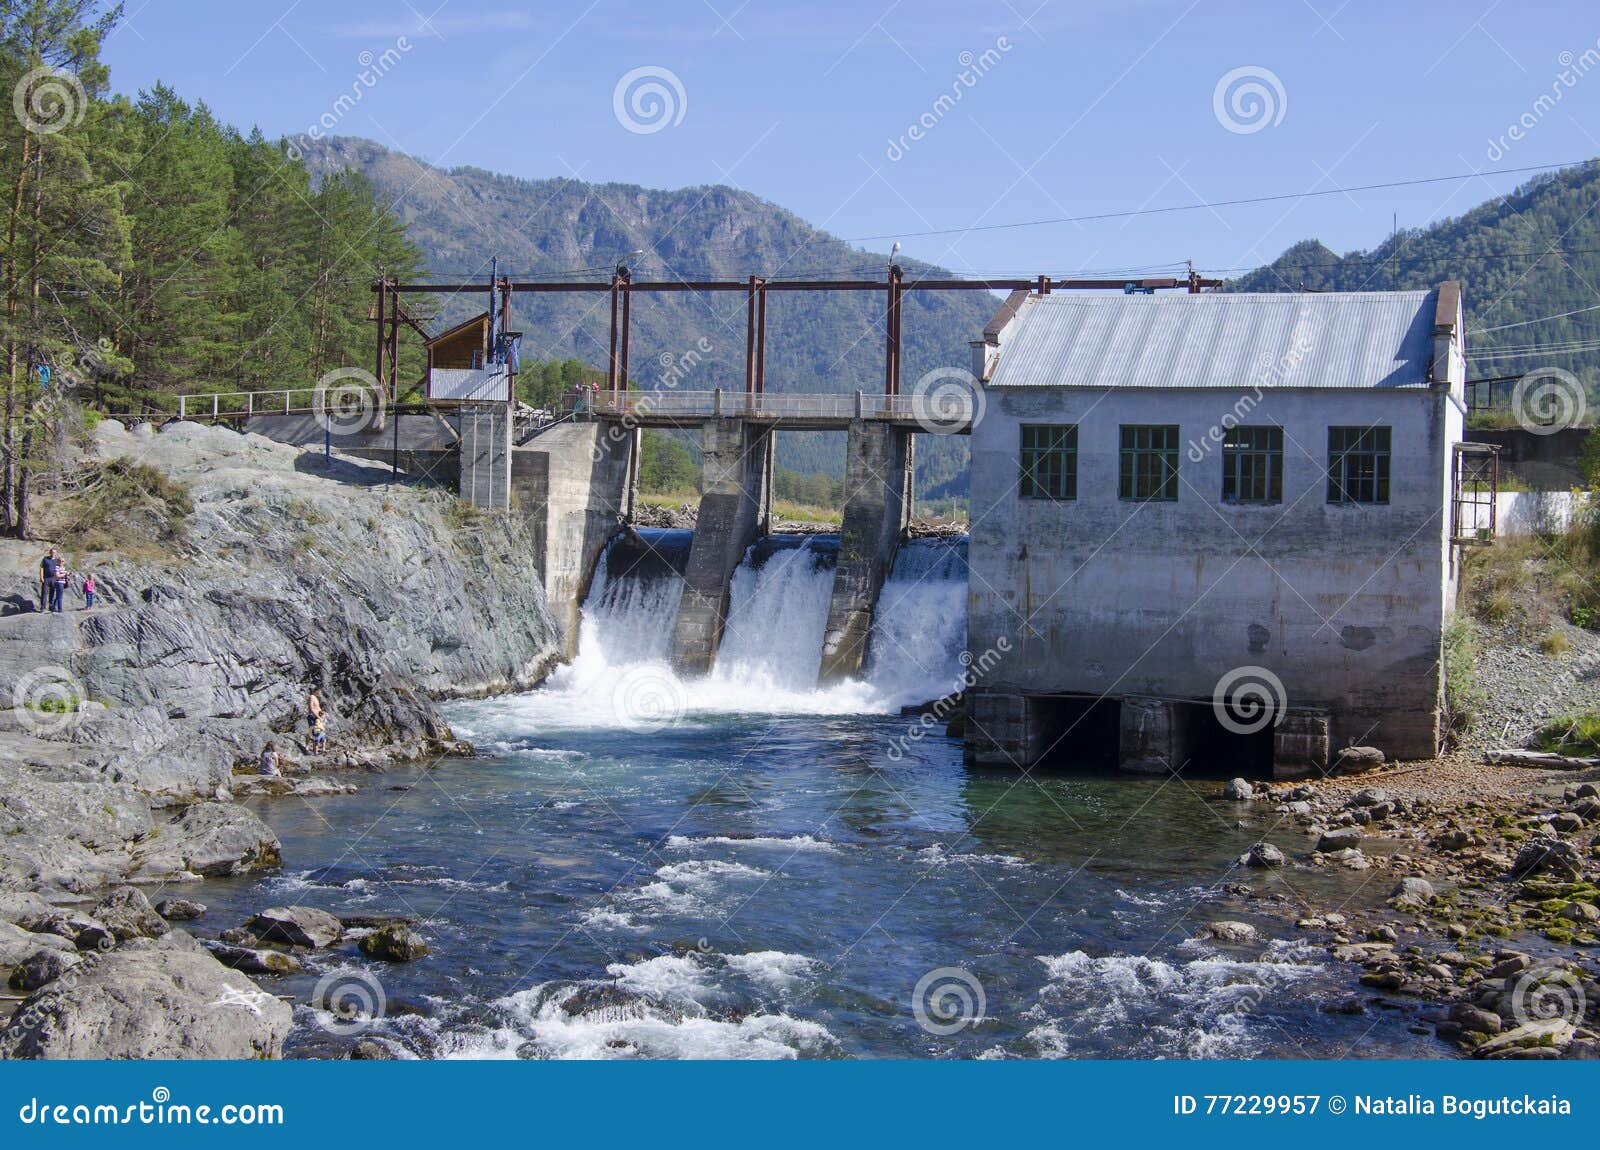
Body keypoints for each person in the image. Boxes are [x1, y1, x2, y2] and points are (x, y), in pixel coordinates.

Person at [39, 548, 60, 612]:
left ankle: (51, 606)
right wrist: (41, 577)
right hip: (46, 578)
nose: (53, 553)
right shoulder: (45, 559)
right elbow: (41, 568)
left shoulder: (57, 560)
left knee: (52, 593)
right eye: (52, 552)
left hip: (54, 578)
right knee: (44, 592)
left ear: (56, 553)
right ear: (50, 552)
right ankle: (43, 607)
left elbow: (60, 568)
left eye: (54, 552)